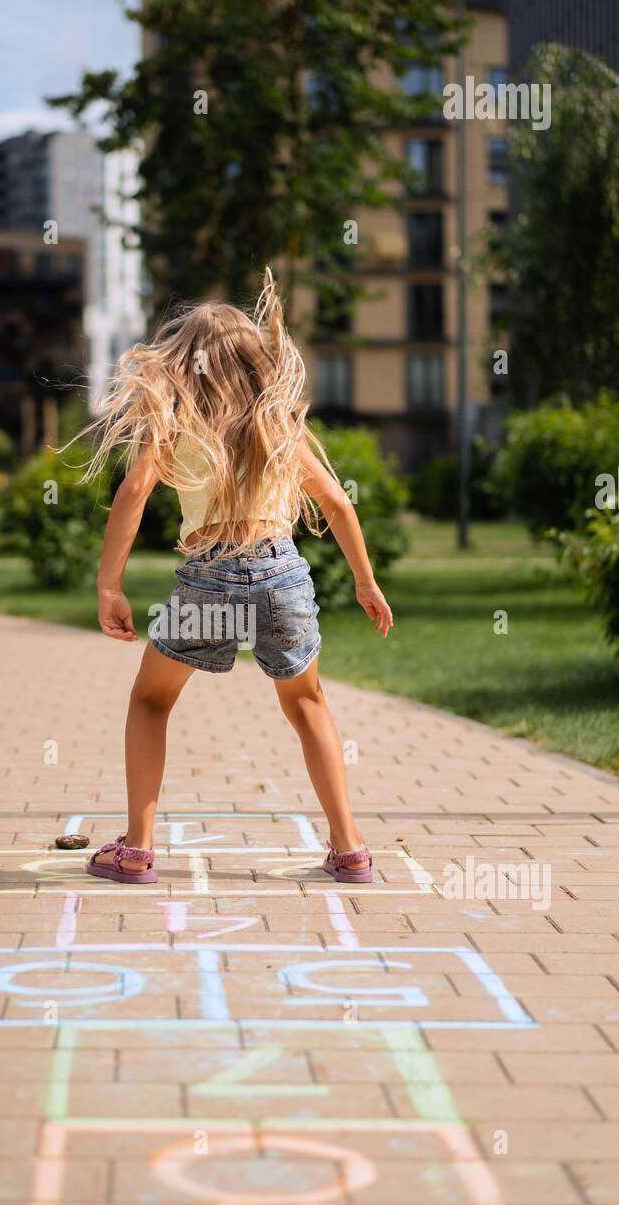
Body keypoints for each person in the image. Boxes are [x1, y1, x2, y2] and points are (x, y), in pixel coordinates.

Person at [79, 268, 393, 886]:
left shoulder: (177, 419)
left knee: (150, 700)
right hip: (283, 573)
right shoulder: (277, 424)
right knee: (307, 704)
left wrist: (109, 586)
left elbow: (134, 490)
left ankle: (137, 848)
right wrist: (365, 581)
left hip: (209, 578)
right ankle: (350, 847)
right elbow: (336, 501)